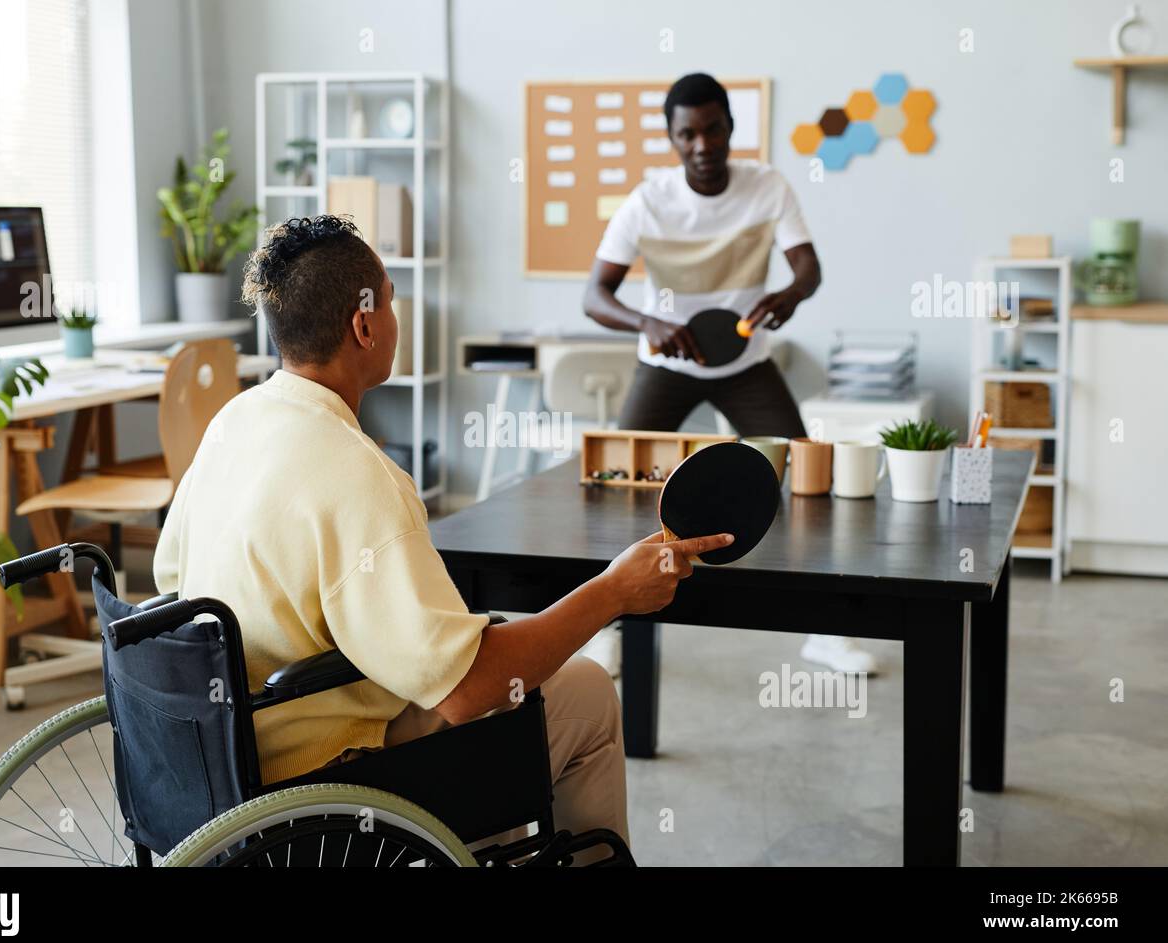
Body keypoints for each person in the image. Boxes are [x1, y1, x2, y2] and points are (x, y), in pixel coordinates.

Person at [153, 215, 733, 859]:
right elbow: (464, 690)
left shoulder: (233, 421)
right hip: (317, 779)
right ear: (365, 326)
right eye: (392, 304)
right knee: (588, 690)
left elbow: (168, 581)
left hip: (221, 756)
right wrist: (612, 594)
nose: (396, 321)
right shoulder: (357, 472)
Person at [582, 72, 877, 675]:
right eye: (687, 134)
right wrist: (648, 324)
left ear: (730, 129)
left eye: (713, 129)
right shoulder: (648, 200)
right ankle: (604, 628)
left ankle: (824, 630)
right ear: (672, 138)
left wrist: (789, 295)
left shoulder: (768, 188)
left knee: (805, 475)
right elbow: (595, 296)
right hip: (667, 364)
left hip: (746, 364)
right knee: (618, 484)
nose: (702, 145)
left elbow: (809, 270)